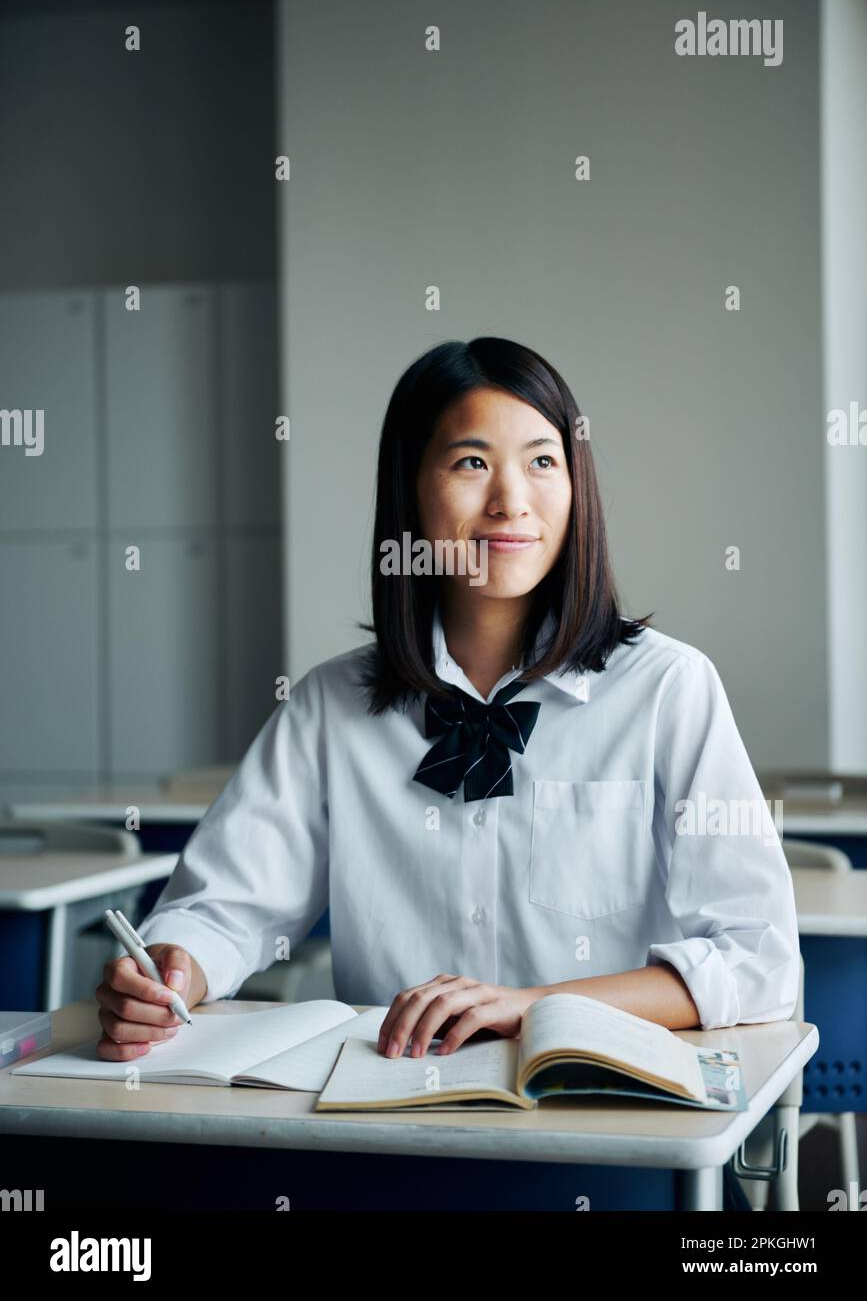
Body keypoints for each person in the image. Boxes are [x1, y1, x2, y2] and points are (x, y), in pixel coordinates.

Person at [95, 336, 798, 1209]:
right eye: (471, 462)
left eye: (542, 460)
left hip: (608, 1145)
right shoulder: (329, 705)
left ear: (576, 488)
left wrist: (536, 1006)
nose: (511, 500)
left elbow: (757, 959)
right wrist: (169, 975)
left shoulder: (667, 688)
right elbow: (226, 910)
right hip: (383, 1144)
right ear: (410, 493)